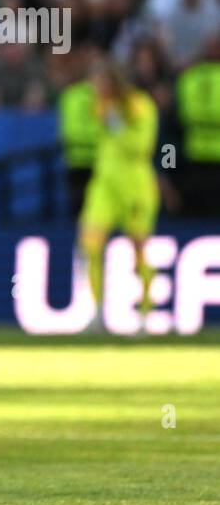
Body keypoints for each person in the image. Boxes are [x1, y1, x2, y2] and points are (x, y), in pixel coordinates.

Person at [78, 62, 159, 332]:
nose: (96, 88)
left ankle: (146, 313)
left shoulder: (140, 105)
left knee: (139, 252)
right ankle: (98, 311)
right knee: (89, 244)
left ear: (114, 82)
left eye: (100, 82)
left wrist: (116, 124)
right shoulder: (100, 106)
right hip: (104, 186)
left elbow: (142, 146)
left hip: (135, 186)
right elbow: (96, 141)